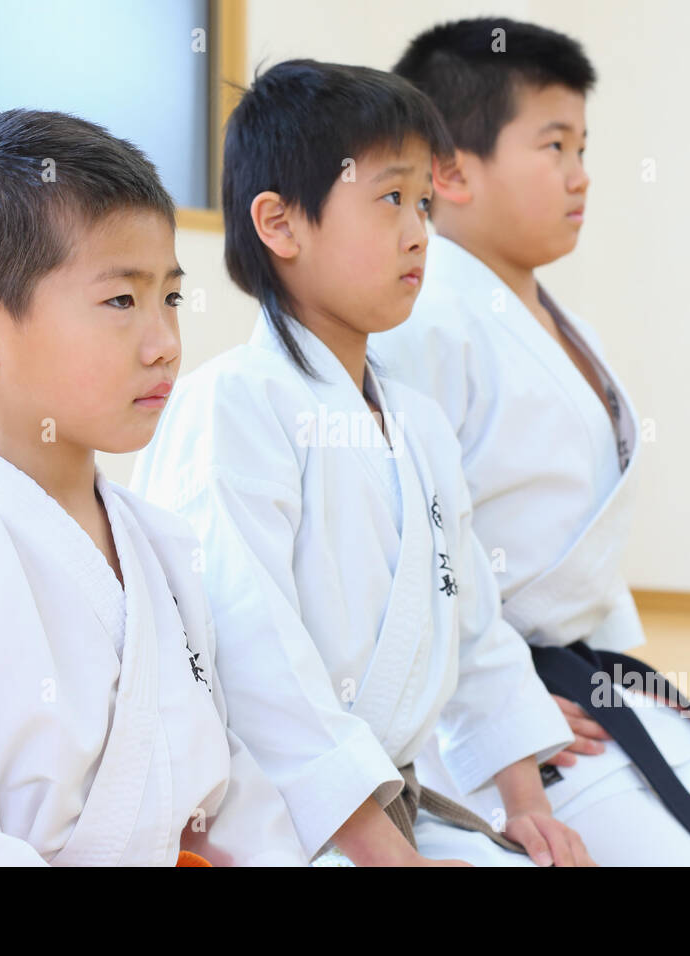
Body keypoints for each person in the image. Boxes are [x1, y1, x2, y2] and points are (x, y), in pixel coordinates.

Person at [371, 17, 690, 865]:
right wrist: (503, 719)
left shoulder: (549, 316)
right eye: (554, 147)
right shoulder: (423, 322)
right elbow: (415, 558)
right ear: (450, 170)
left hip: (579, 679)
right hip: (479, 709)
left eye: (584, 148)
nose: (581, 178)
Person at [0, 108, 304, 866]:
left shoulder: (160, 544)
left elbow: (221, 793)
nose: (165, 343)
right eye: (120, 301)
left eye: (170, 297)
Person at [130, 60, 587, 867]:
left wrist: (527, 802)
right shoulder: (231, 407)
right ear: (280, 224)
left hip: (384, 808)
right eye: (389, 198)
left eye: (423, 204)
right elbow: (250, 658)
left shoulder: (417, 421)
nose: (419, 231)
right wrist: (383, 850)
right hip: (273, 826)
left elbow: (474, 627)